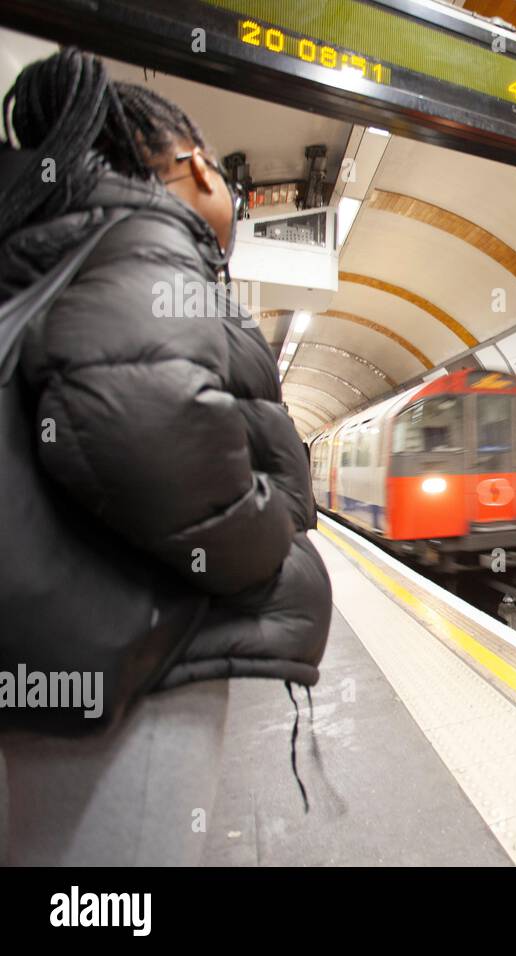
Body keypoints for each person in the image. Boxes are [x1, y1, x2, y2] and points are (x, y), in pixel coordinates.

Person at [0, 50, 330, 864]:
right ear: (189, 166)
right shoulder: (144, 236)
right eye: (219, 170)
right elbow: (145, 422)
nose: (227, 192)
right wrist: (264, 551)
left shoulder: (60, 242)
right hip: (140, 659)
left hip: (71, 646)